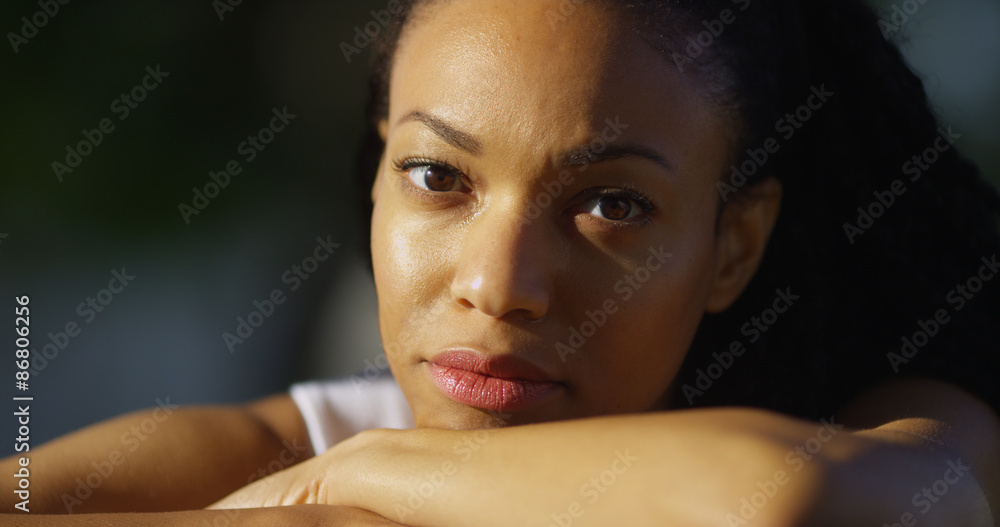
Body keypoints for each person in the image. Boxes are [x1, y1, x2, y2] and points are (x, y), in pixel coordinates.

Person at [4, 0, 999, 525]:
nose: (498, 283)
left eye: (610, 204)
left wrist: (343, 490)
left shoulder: (898, 424)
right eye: (438, 176)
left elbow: (789, 504)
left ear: (731, 245)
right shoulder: (301, 441)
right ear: (377, 174)